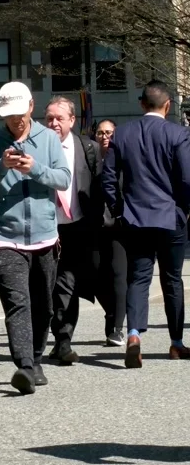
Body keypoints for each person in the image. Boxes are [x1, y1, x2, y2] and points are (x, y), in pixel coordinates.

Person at [0, 82, 70, 394]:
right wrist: (1, 167)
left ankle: (37, 357)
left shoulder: (48, 139)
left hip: (44, 236)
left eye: (19, 112)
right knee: (18, 303)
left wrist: (36, 169)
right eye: (9, 115)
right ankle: (25, 367)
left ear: (31, 106)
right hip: (5, 236)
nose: (15, 120)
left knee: (43, 304)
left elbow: (63, 178)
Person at [102, 80, 190, 367]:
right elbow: (187, 179)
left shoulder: (123, 134)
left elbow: (108, 178)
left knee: (138, 278)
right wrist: (184, 210)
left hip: (135, 217)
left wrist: (118, 209)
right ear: (168, 105)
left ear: (141, 104)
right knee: (172, 280)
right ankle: (176, 342)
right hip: (170, 216)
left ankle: (134, 335)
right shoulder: (178, 133)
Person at [45, 96, 103, 364]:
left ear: (72, 120)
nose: (54, 123)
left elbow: (99, 186)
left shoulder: (87, 148)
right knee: (46, 285)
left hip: (77, 226)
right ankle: (53, 337)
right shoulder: (38, 148)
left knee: (68, 283)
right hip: (45, 227)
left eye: (59, 118)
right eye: (49, 118)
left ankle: (64, 339)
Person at [94, 120, 127, 346]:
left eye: (109, 132)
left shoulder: (124, 161)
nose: (104, 136)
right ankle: (111, 313)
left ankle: (117, 327)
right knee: (95, 277)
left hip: (119, 226)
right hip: (94, 227)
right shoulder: (91, 160)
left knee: (118, 276)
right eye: (100, 132)